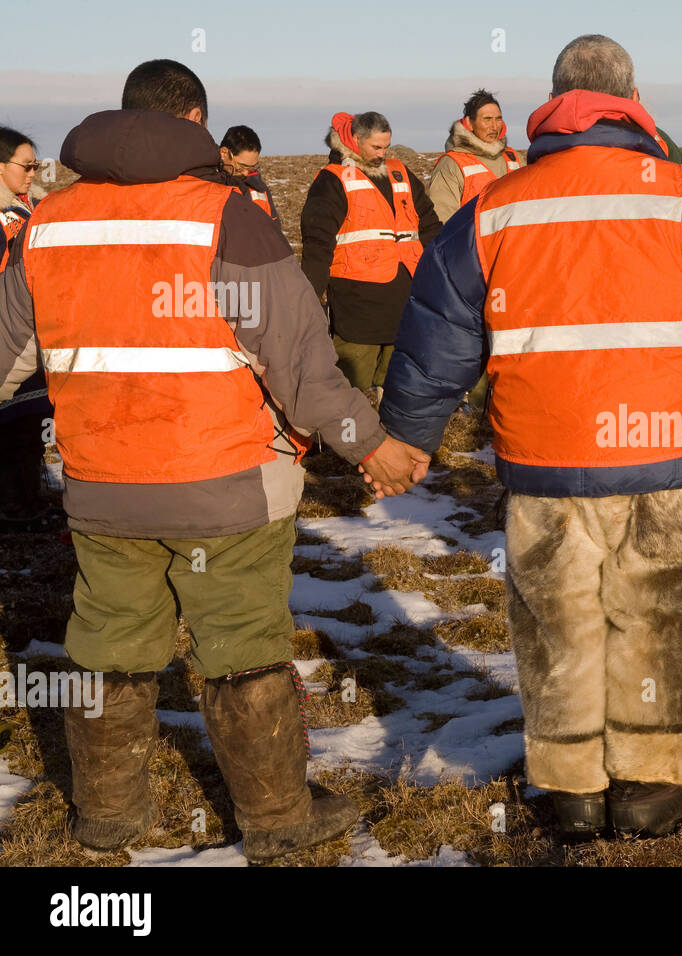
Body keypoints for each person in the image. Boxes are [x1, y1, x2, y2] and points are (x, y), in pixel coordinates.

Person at [368, 34, 682, 839]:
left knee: (557, 623)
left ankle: (572, 787)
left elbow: (436, 336)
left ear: (553, 104)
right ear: (632, 102)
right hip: (668, 457)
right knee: (663, 613)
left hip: (544, 463)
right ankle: (653, 783)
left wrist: (407, 439)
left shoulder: (493, 210)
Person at [0, 59, 431, 861]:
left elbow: (5, 357)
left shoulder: (47, 223)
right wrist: (373, 445)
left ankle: (107, 816)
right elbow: (298, 365)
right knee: (241, 647)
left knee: (108, 644)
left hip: (103, 487)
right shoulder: (226, 216)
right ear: (195, 119)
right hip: (228, 484)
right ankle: (277, 819)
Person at [300, 111, 441, 396]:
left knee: (397, 387)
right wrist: (307, 299)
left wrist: (445, 271)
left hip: (405, 304)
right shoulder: (332, 180)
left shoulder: (400, 173)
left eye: (386, 147)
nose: (382, 154)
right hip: (357, 310)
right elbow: (318, 244)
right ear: (355, 140)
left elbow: (429, 225)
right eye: (376, 147)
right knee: (348, 390)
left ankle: (390, 423)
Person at [0, 126, 58, 532]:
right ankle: (12, 507)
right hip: (8, 330)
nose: (34, 173)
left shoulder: (28, 209)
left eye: (36, 166)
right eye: (27, 166)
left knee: (31, 421)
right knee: (10, 426)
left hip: (31, 329)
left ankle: (30, 499)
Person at [428, 90, 525, 224]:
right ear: (469, 123)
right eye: (487, 119)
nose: (494, 127)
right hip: (474, 237)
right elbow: (443, 219)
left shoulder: (515, 158)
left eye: (498, 119)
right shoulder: (452, 164)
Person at [219, 124, 280, 226]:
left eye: (252, 167)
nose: (246, 173)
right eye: (241, 166)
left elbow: (274, 229)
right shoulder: (206, 183)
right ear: (224, 153)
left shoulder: (260, 189)